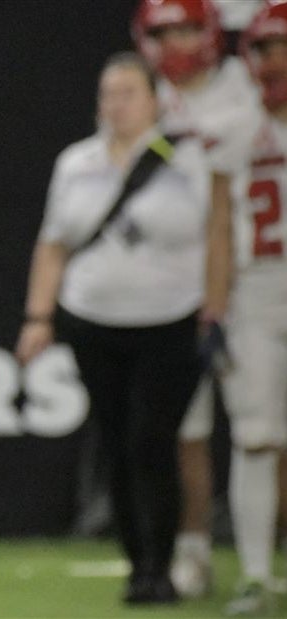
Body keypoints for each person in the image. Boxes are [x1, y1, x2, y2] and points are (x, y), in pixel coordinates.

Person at [15, 51, 212, 605]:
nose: (116, 105)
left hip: (170, 323)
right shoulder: (77, 163)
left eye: (128, 93)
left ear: (155, 100)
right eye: (108, 94)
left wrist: (215, 309)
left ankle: (163, 562)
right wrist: (39, 317)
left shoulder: (188, 160)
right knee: (118, 442)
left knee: (154, 439)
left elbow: (218, 237)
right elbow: (53, 244)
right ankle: (138, 566)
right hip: (94, 324)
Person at [130, 0, 261, 599]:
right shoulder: (149, 94)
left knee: (267, 432)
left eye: (186, 27)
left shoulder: (250, 82)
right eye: (164, 31)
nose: (177, 42)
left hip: (257, 275)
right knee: (186, 428)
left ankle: (262, 562)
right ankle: (194, 549)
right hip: (181, 283)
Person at [209, 3, 287, 613]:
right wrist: (213, 309)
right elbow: (216, 227)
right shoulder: (234, 126)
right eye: (264, 48)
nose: (274, 61)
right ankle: (257, 574)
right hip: (255, 294)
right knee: (255, 437)